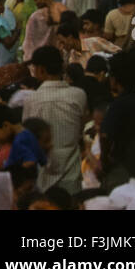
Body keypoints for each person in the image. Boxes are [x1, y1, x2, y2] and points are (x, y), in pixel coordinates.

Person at [21, 45, 89, 193]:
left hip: (43, 176)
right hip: (72, 174)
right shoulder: (78, 95)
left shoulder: (31, 100)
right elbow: (82, 126)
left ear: (41, 70)